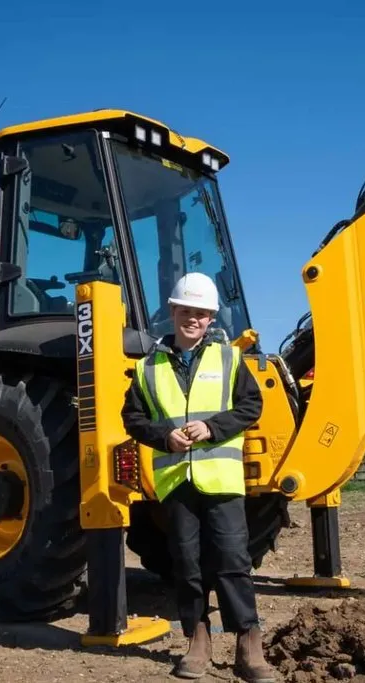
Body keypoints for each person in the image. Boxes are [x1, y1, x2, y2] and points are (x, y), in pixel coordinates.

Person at [121, 272, 278, 682]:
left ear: (211, 319)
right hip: (176, 482)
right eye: (186, 311)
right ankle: (197, 640)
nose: (193, 319)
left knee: (232, 562)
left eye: (202, 314)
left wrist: (212, 428)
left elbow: (250, 407)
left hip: (221, 481)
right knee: (186, 565)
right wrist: (162, 436)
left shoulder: (229, 360)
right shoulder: (146, 369)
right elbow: (133, 418)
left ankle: (249, 643)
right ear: (173, 312)